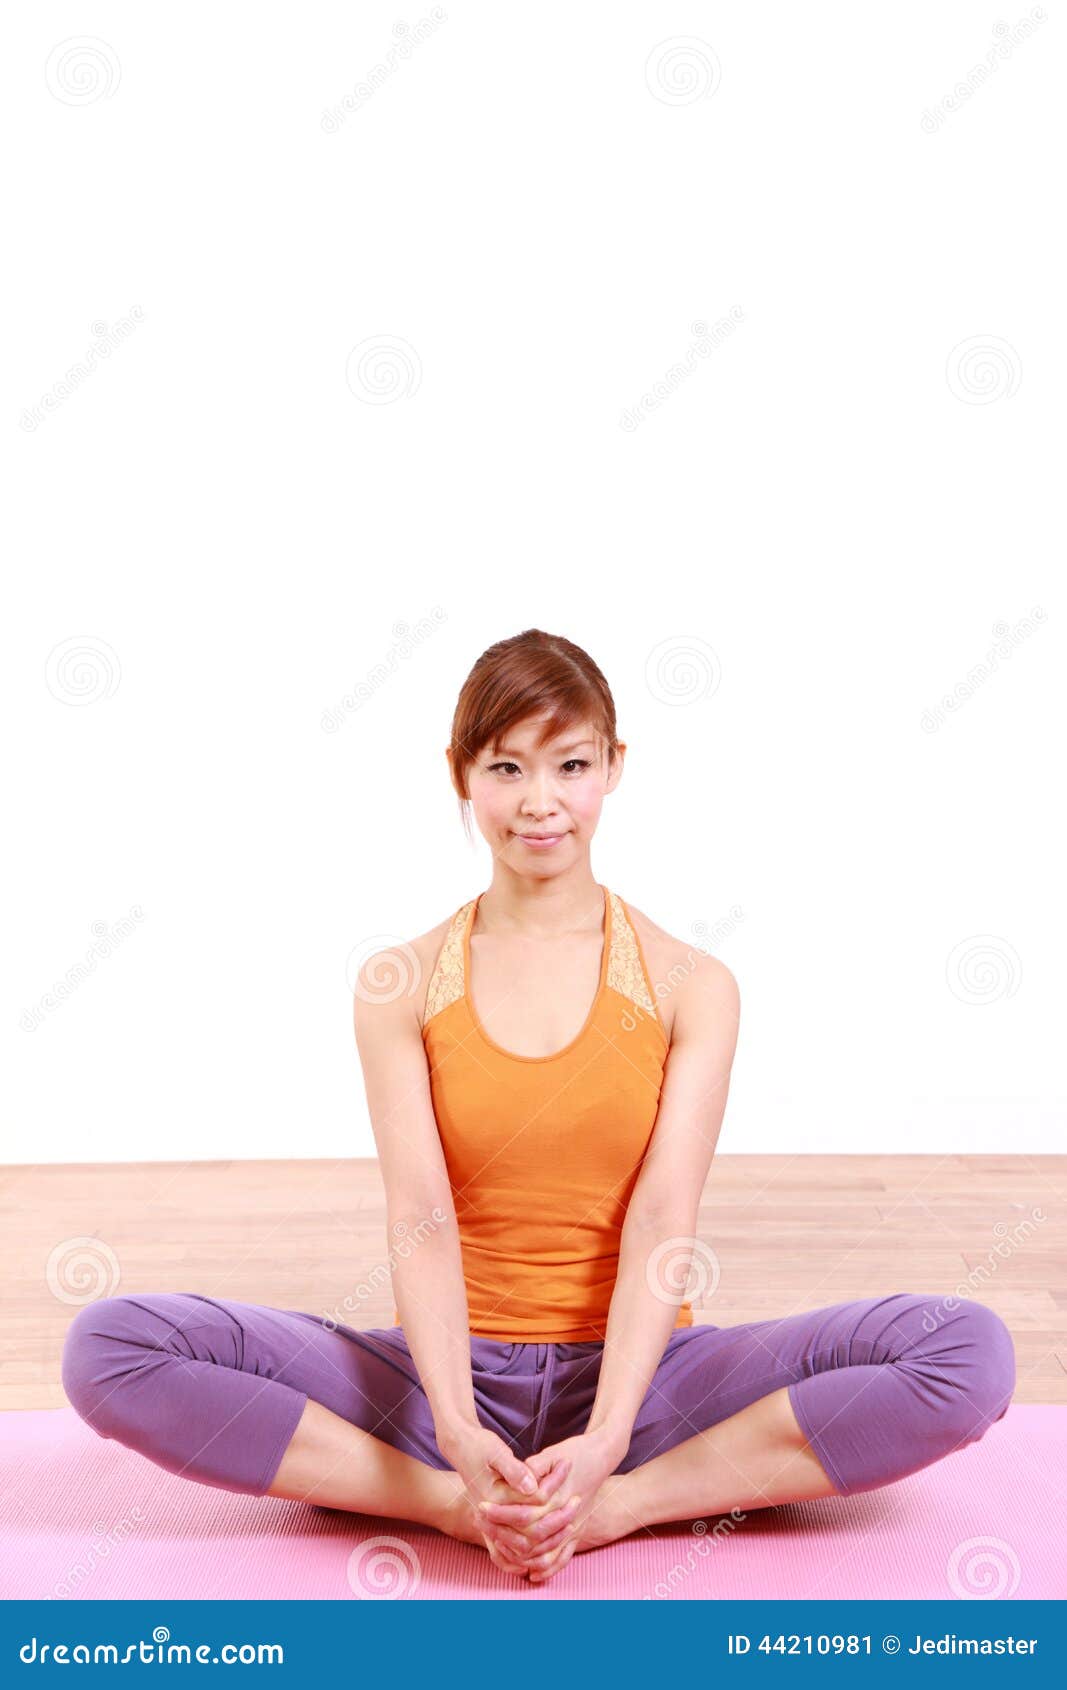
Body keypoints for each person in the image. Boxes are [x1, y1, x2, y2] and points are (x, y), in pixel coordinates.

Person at [61, 628, 1016, 1586]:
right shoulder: (401, 983)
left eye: (571, 765)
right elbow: (421, 1222)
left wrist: (606, 1448)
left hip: (645, 1391)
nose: (539, 801)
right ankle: (451, 1501)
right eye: (505, 767)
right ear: (460, 775)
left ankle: (621, 1507)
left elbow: (660, 1222)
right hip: (436, 1385)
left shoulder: (692, 984)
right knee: (111, 1347)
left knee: (964, 1354)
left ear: (613, 767)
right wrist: (457, 1431)